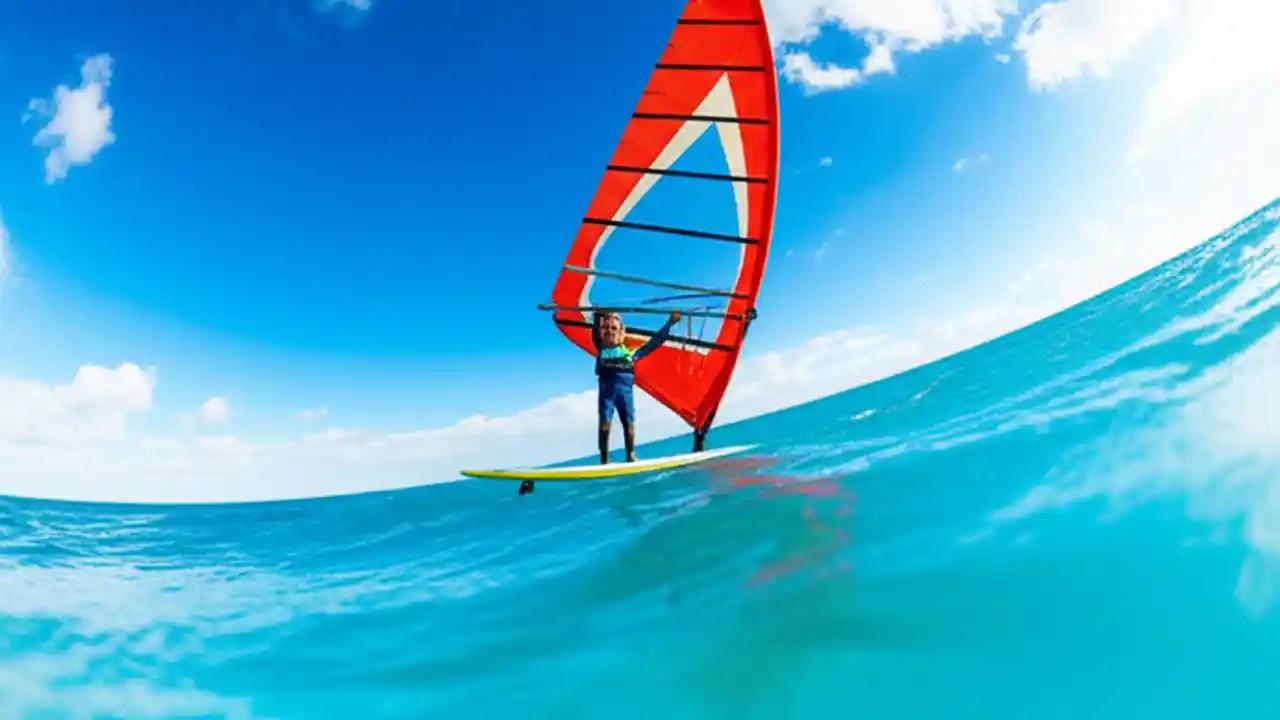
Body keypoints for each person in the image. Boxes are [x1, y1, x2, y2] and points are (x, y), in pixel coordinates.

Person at [518, 309, 680, 496]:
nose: (609, 331)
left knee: (629, 424)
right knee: (604, 426)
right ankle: (604, 460)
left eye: (614, 328)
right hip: (607, 395)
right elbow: (595, 331)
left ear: (622, 332)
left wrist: (670, 323)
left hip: (625, 394)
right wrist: (594, 317)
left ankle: (631, 455)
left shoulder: (632, 354)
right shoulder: (601, 350)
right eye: (606, 328)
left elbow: (655, 342)